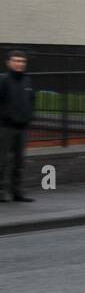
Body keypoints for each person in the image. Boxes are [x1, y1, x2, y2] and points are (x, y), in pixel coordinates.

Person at [0, 49, 35, 202]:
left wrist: (30, 116)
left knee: (19, 161)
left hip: (22, 127)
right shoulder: (3, 80)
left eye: (22, 61)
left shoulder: (27, 80)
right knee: (2, 161)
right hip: (6, 127)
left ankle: (17, 192)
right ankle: (1, 193)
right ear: (8, 63)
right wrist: (9, 116)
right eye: (16, 61)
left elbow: (31, 100)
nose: (19, 64)